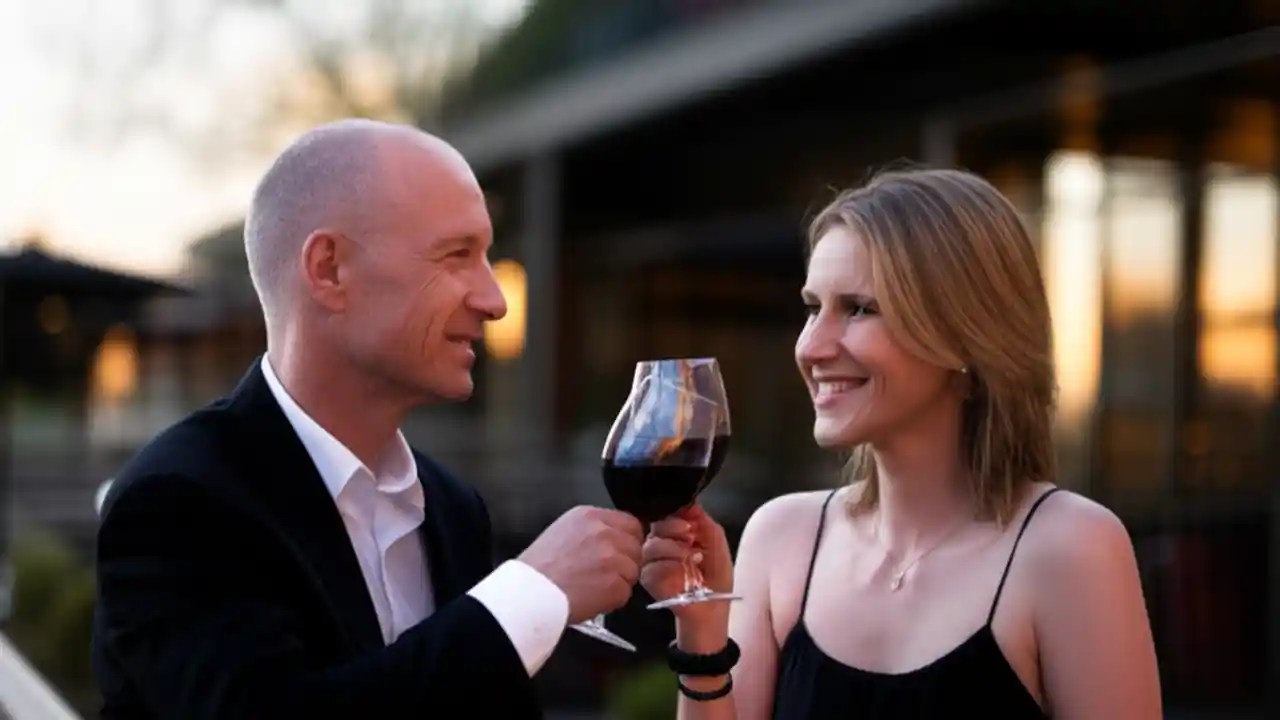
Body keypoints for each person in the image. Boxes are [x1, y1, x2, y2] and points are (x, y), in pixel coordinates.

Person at [91, 119, 645, 719]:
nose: (495, 300)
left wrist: (701, 644)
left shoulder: (454, 508)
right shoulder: (177, 501)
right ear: (329, 269)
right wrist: (529, 592)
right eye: (456, 255)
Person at [640, 167, 1163, 718]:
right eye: (813, 307)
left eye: (860, 308)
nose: (812, 347)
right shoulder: (783, 540)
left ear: (965, 334)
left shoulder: (1068, 547)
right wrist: (702, 638)